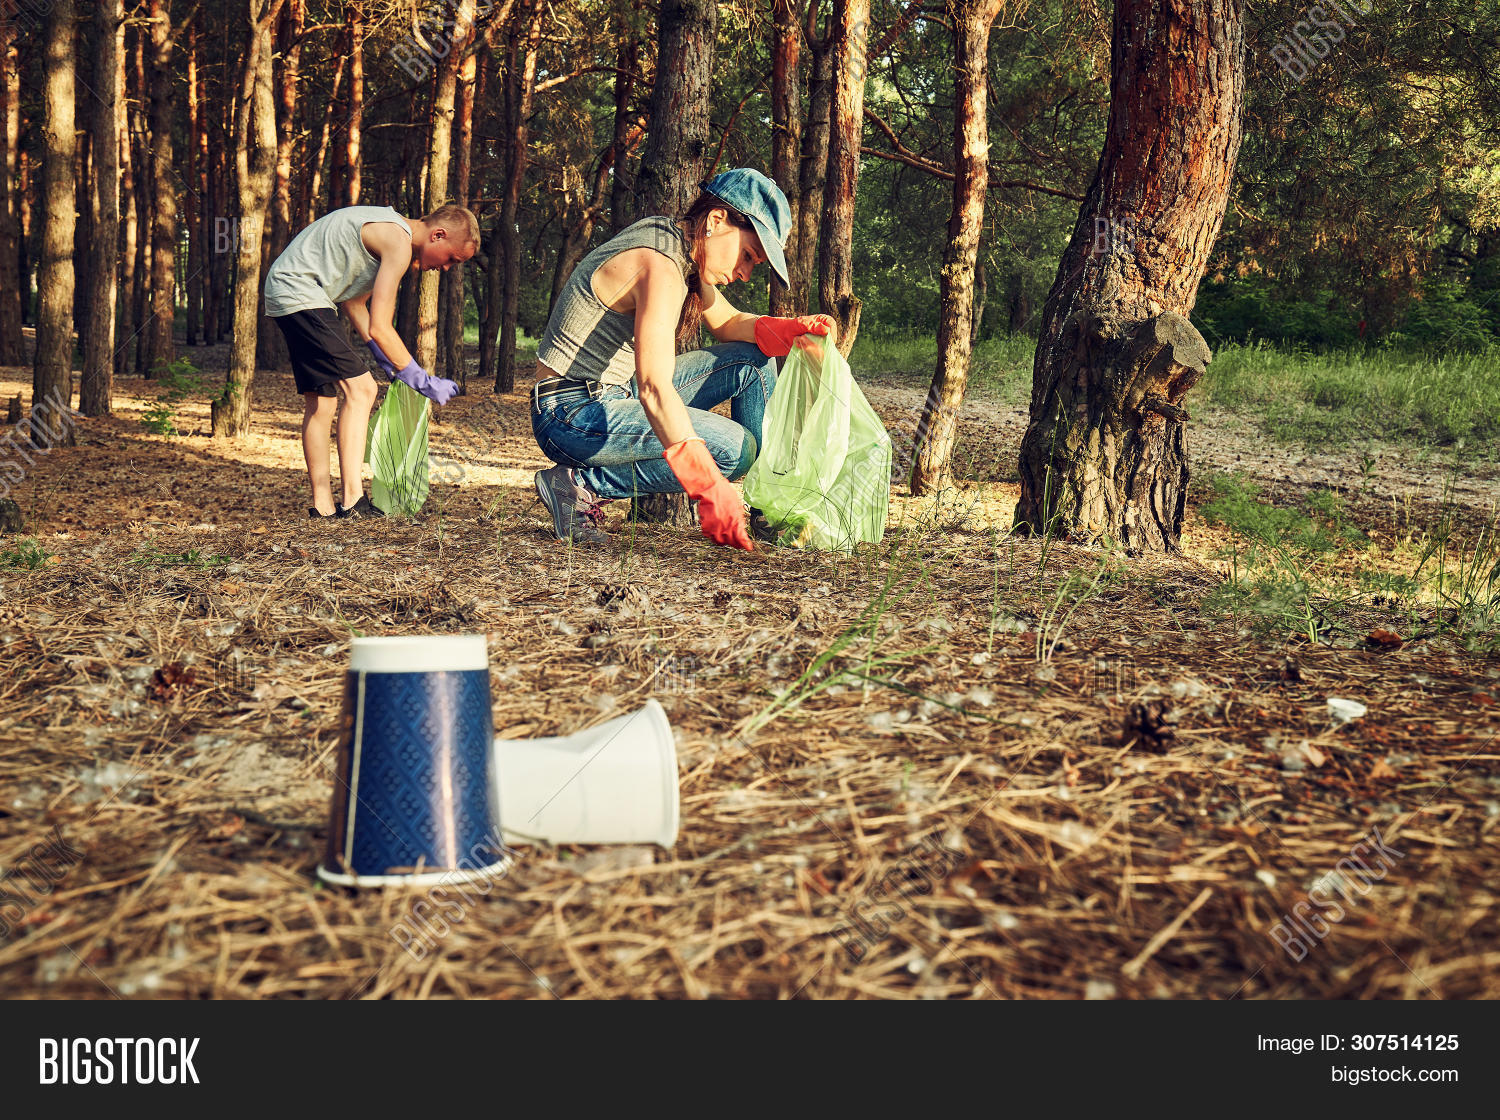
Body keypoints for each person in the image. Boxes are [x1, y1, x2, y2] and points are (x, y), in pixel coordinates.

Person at [530, 168, 832, 551]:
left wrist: (792, 330)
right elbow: (655, 388)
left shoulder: (677, 246)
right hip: (569, 414)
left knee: (752, 360)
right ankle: (578, 486)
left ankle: (769, 510)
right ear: (717, 221)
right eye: (748, 255)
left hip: (611, 395)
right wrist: (707, 484)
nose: (744, 273)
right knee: (732, 448)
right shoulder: (658, 264)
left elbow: (728, 323)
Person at [263, 203, 478, 519]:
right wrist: (421, 379)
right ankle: (353, 501)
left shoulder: (388, 235)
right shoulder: (398, 241)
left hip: (289, 289)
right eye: (451, 260)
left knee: (321, 402)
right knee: (362, 390)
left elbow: (354, 303)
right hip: (301, 292)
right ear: (438, 235)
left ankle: (322, 507)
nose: (446, 269)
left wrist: (385, 358)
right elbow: (380, 324)